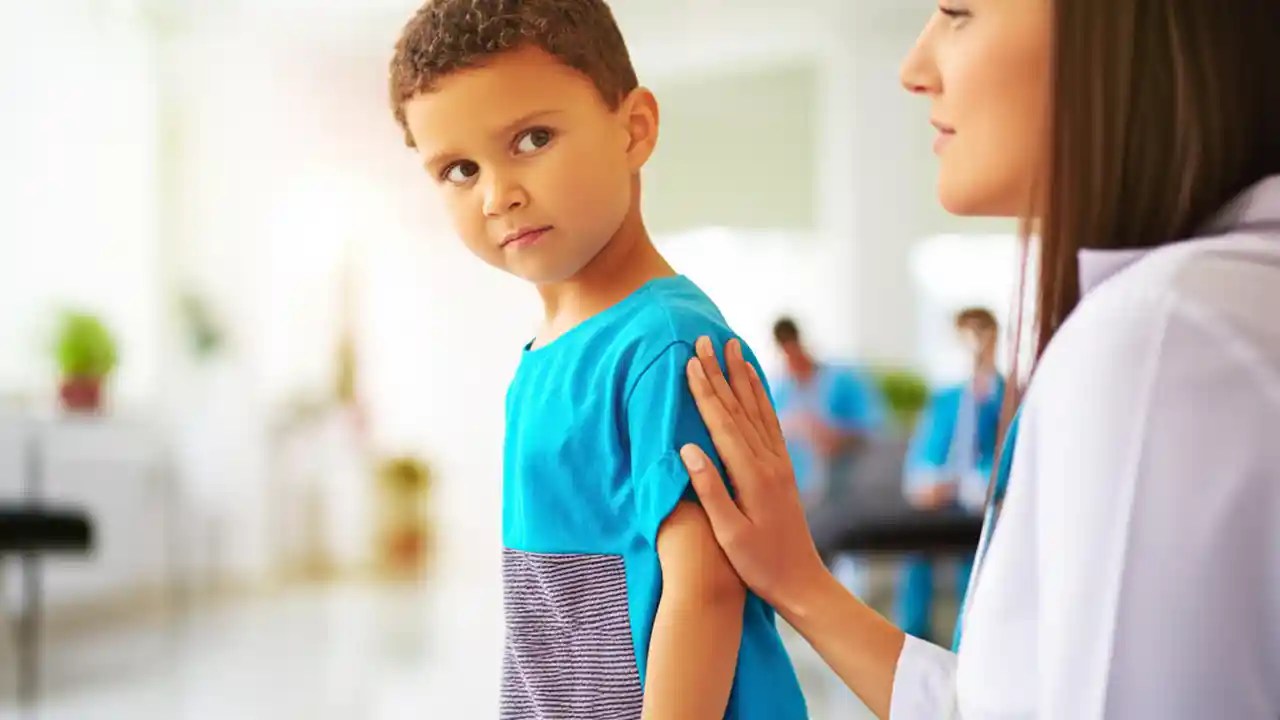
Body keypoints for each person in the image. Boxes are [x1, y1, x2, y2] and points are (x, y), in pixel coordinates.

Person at [675, 2, 1280, 718]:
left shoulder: (1157, 335)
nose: (914, 69)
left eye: (959, 11)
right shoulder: (1200, 310)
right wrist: (797, 581)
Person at [387, 2, 806, 718]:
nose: (499, 195)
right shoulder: (545, 356)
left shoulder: (665, 346)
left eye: (532, 139)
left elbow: (704, 589)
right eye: (459, 169)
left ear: (633, 130)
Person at [896, 307, 1005, 643]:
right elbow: (924, 455)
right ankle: (913, 634)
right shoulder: (946, 400)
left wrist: (975, 483)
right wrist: (928, 483)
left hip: (980, 500)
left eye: (980, 335)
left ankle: (969, 638)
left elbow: (1005, 456)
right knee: (918, 546)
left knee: (973, 557)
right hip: (941, 497)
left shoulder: (1005, 398)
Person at [770, 317, 885, 506]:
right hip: (796, 497)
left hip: (845, 488)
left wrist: (834, 437)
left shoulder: (843, 380)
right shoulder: (781, 390)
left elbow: (875, 427)